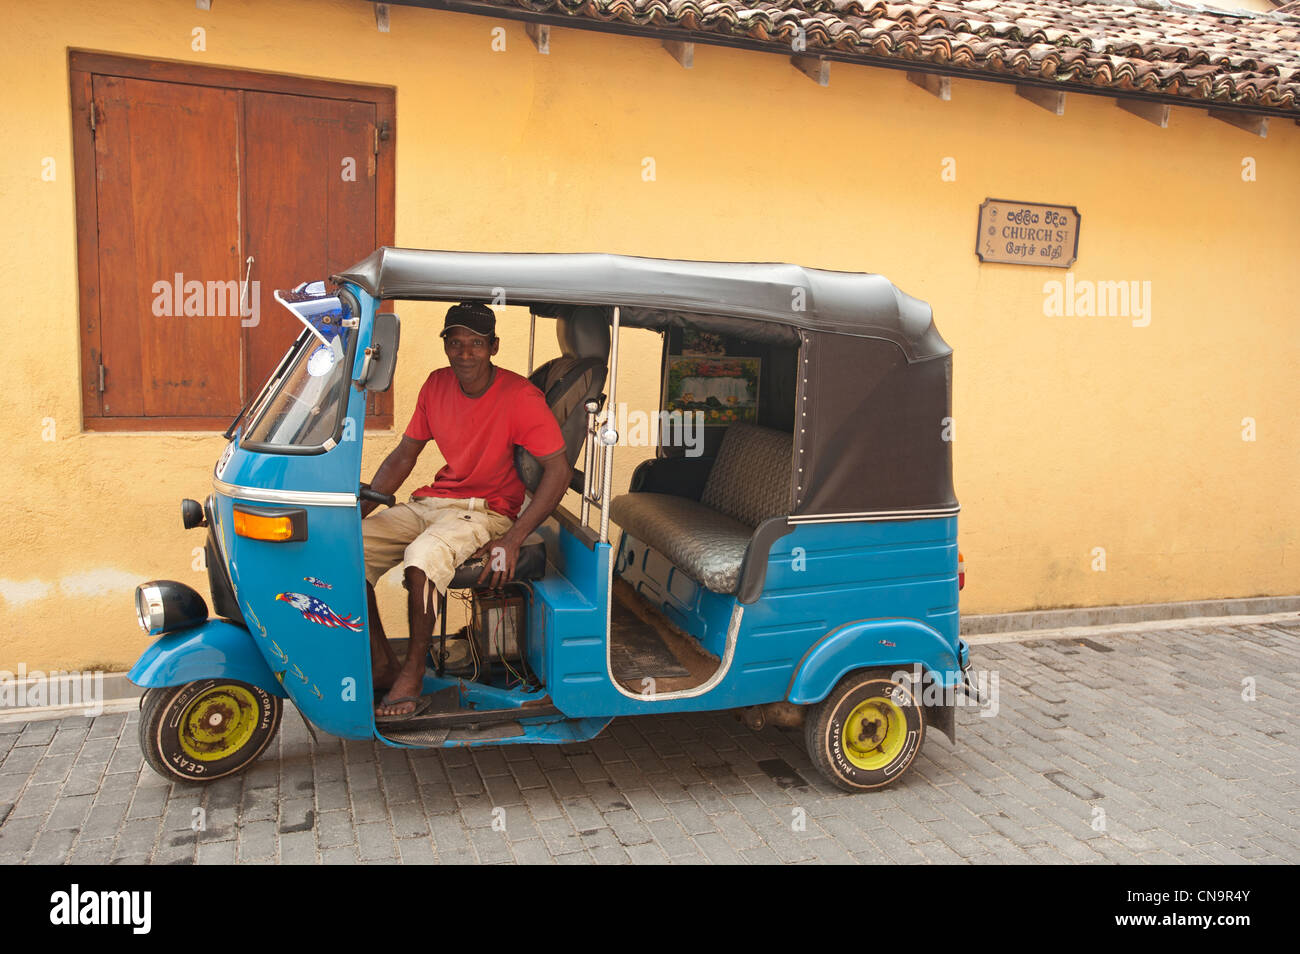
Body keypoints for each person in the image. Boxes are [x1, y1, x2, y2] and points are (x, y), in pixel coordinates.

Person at [360, 301, 572, 720]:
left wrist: (512, 539)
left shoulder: (520, 397)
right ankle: (382, 664)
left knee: (422, 558)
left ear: (492, 346)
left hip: (484, 511)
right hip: (432, 502)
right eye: (454, 343)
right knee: (345, 549)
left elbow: (558, 471)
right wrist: (359, 509)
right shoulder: (435, 385)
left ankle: (412, 673)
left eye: (475, 344)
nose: (464, 352)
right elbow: (405, 455)